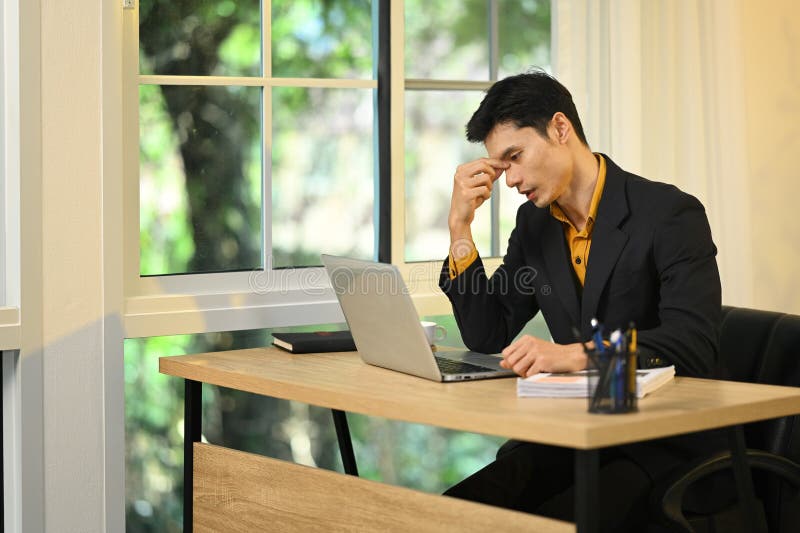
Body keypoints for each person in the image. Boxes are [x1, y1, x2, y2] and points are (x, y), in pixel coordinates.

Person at [438, 71, 723, 531]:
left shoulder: (669, 214)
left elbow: (693, 346)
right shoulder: (535, 226)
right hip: (582, 432)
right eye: (500, 166)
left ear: (560, 128)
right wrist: (459, 230)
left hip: (666, 442)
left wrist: (574, 355)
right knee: (453, 512)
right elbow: (487, 331)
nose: (509, 180)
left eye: (515, 158)